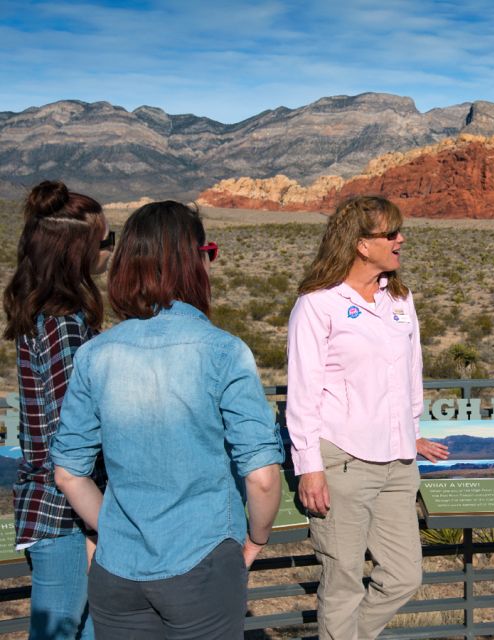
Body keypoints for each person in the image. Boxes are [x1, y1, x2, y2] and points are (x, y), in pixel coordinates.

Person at [50, 201, 283, 639]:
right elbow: (263, 477)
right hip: (203, 561)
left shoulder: (95, 355)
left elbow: (68, 473)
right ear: (192, 261)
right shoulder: (224, 351)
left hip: (117, 572)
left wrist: (116, 531)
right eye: (208, 252)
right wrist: (256, 540)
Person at [286, 195, 449, 640]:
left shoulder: (399, 297)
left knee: (403, 575)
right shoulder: (318, 304)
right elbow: (303, 393)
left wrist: (411, 431)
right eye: (391, 233)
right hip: (343, 462)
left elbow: (411, 371)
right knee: (342, 583)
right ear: (361, 244)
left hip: (398, 462)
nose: (401, 240)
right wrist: (309, 467)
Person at [2, 180, 112, 640]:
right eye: (105, 240)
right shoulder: (66, 326)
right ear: (77, 251)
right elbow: (72, 434)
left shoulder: (44, 317)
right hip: (66, 513)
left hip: (56, 508)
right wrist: (93, 525)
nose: (111, 249)